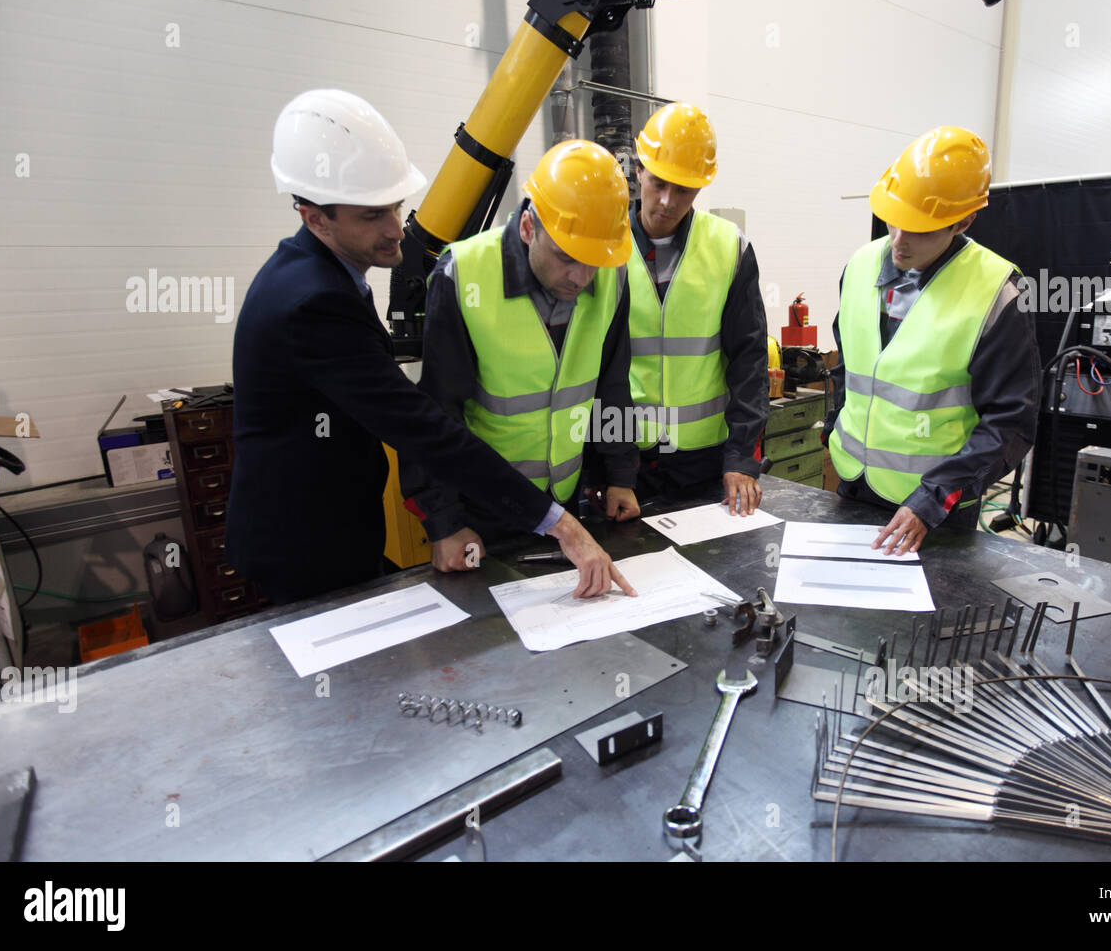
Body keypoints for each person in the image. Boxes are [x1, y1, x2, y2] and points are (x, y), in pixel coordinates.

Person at [226, 89, 634, 604]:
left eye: (395, 207)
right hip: (304, 543)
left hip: (343, 524)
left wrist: (613, 475)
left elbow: (611, 386)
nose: (397, 229)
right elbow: (424, 426)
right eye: (373, 216)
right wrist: (561, 528)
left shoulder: (322, 275)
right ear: (315, 218)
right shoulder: (311, 302)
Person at [406, 140, 640, 571]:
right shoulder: (463, 276)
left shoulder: (612, 279)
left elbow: (612, 388)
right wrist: (444, 523)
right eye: (567, 257)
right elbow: (437, 414)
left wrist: (620, 477)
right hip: (485, 511)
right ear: (530, 227)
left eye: (594, 261)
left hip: (568, 503)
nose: (581, 277)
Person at [825, 125, 1040, 556]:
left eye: (920, 229)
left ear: (964, 220)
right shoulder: (861, 265)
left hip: (936, 509)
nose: (899, 241)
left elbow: (1011, 422)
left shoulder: (996, 292)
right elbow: (849, 365)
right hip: (854, 486)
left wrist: (935, 497)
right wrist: (834, 427)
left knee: (931, 621)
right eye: (895, 221)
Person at [623, 102, 768, 516]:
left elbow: (749, 358)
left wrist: (742, 458)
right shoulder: (602, 246)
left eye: (683, 189)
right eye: (658, 183)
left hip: (704, 460)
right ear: (639, 171)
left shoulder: (728, 247)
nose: (667, 201)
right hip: (625, 457)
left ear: (701, 188)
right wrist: (605, 467)